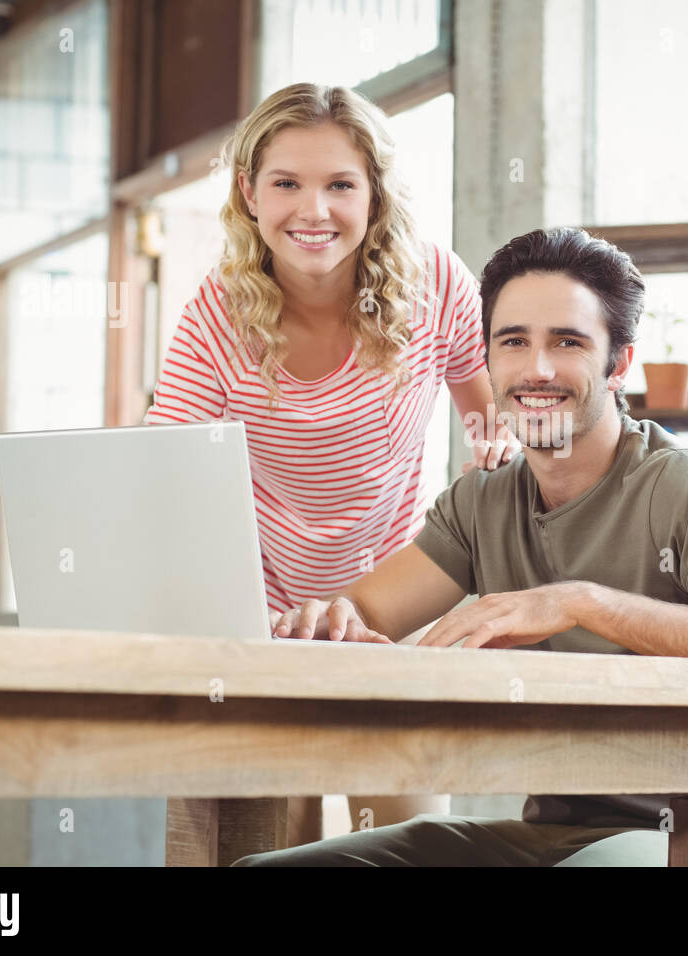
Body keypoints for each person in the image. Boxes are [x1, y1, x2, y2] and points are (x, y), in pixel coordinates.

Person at [236, 226, 688, 866]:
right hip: (539, 841)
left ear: (619, 362)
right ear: (487, 358)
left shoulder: (683, 482)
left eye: (567, 342)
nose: (536, 369)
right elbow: (363, 616)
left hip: (680, 840)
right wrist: (332, 620)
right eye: (513, 342)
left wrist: (581, 603)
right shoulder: (481, 501)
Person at [143, 83, 516, 829]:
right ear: (250, 192)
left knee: (410, 841)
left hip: (393, 605)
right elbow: (163, 469)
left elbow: (491, 419)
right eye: (286, 183)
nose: (313, 211)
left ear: (374, 195)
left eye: (340, 185)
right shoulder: (216, 314)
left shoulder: (436, 282)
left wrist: (500, 443)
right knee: (267, 844)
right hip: (259, 620)